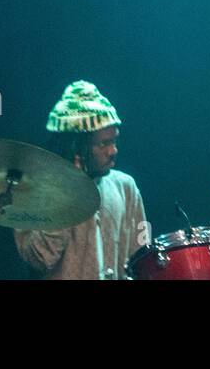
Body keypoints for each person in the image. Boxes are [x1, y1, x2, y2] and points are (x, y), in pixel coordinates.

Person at [15, 80, 148, 279]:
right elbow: (40, 259)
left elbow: (142, 258)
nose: (113, 151)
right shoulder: (32, 189)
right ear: (77, 147)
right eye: (104, 144)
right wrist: (71, 192)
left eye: (114, 141)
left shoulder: (125, 187)